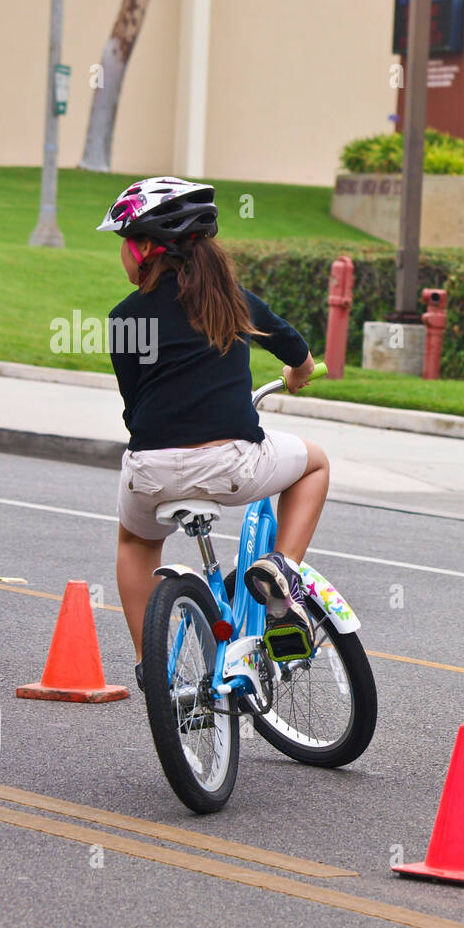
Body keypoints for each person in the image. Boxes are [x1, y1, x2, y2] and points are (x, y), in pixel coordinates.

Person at [99, 177, 328, 690]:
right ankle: (282, 572)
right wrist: (297, 374)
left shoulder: (122, 320)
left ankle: (153, 670)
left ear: (141, 250)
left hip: (153, 470)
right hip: (232, 467)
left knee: (135, 543)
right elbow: (296, 349)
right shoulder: (233, 301)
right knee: (314, 463)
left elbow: (135, 404)